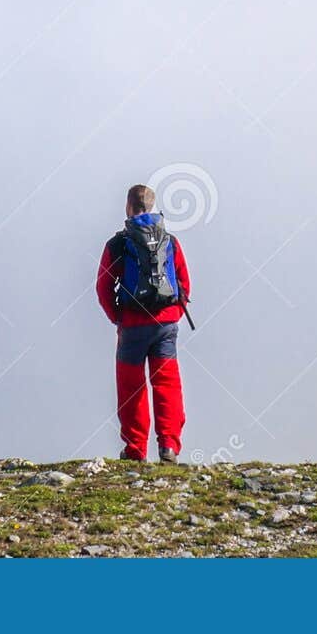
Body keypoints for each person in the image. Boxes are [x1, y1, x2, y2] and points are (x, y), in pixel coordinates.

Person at [96, 183, 192, 463]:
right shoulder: (170, 241)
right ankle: (169, 447)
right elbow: (184, 283)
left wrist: (118, 318)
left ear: (128, 206)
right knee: (167, 384)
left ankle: (136, 449)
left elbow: (103, 287)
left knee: (131, 387)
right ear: (151, 206)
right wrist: (173, 314)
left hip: (132, 325)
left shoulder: (117, 244)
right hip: (166, 325)